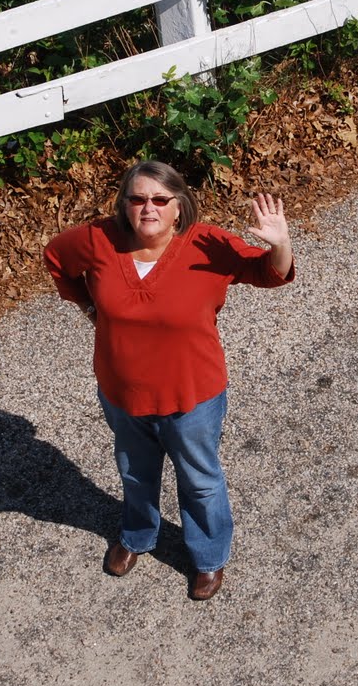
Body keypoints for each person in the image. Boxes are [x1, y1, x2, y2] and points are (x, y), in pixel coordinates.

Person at [43, 160, 295, 600]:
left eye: (160, 199)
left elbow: (269, 273)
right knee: (134, 472)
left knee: (199, 480)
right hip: (123, 392)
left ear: (179, 206)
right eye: (138, 199)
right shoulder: (99, 240)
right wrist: (89, 307)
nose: (149, 208)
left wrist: (281, 244)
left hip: (191, 395)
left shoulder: (208, 244)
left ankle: (208, 557)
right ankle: (138, 534)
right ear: (124, 205)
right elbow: (57, 258)